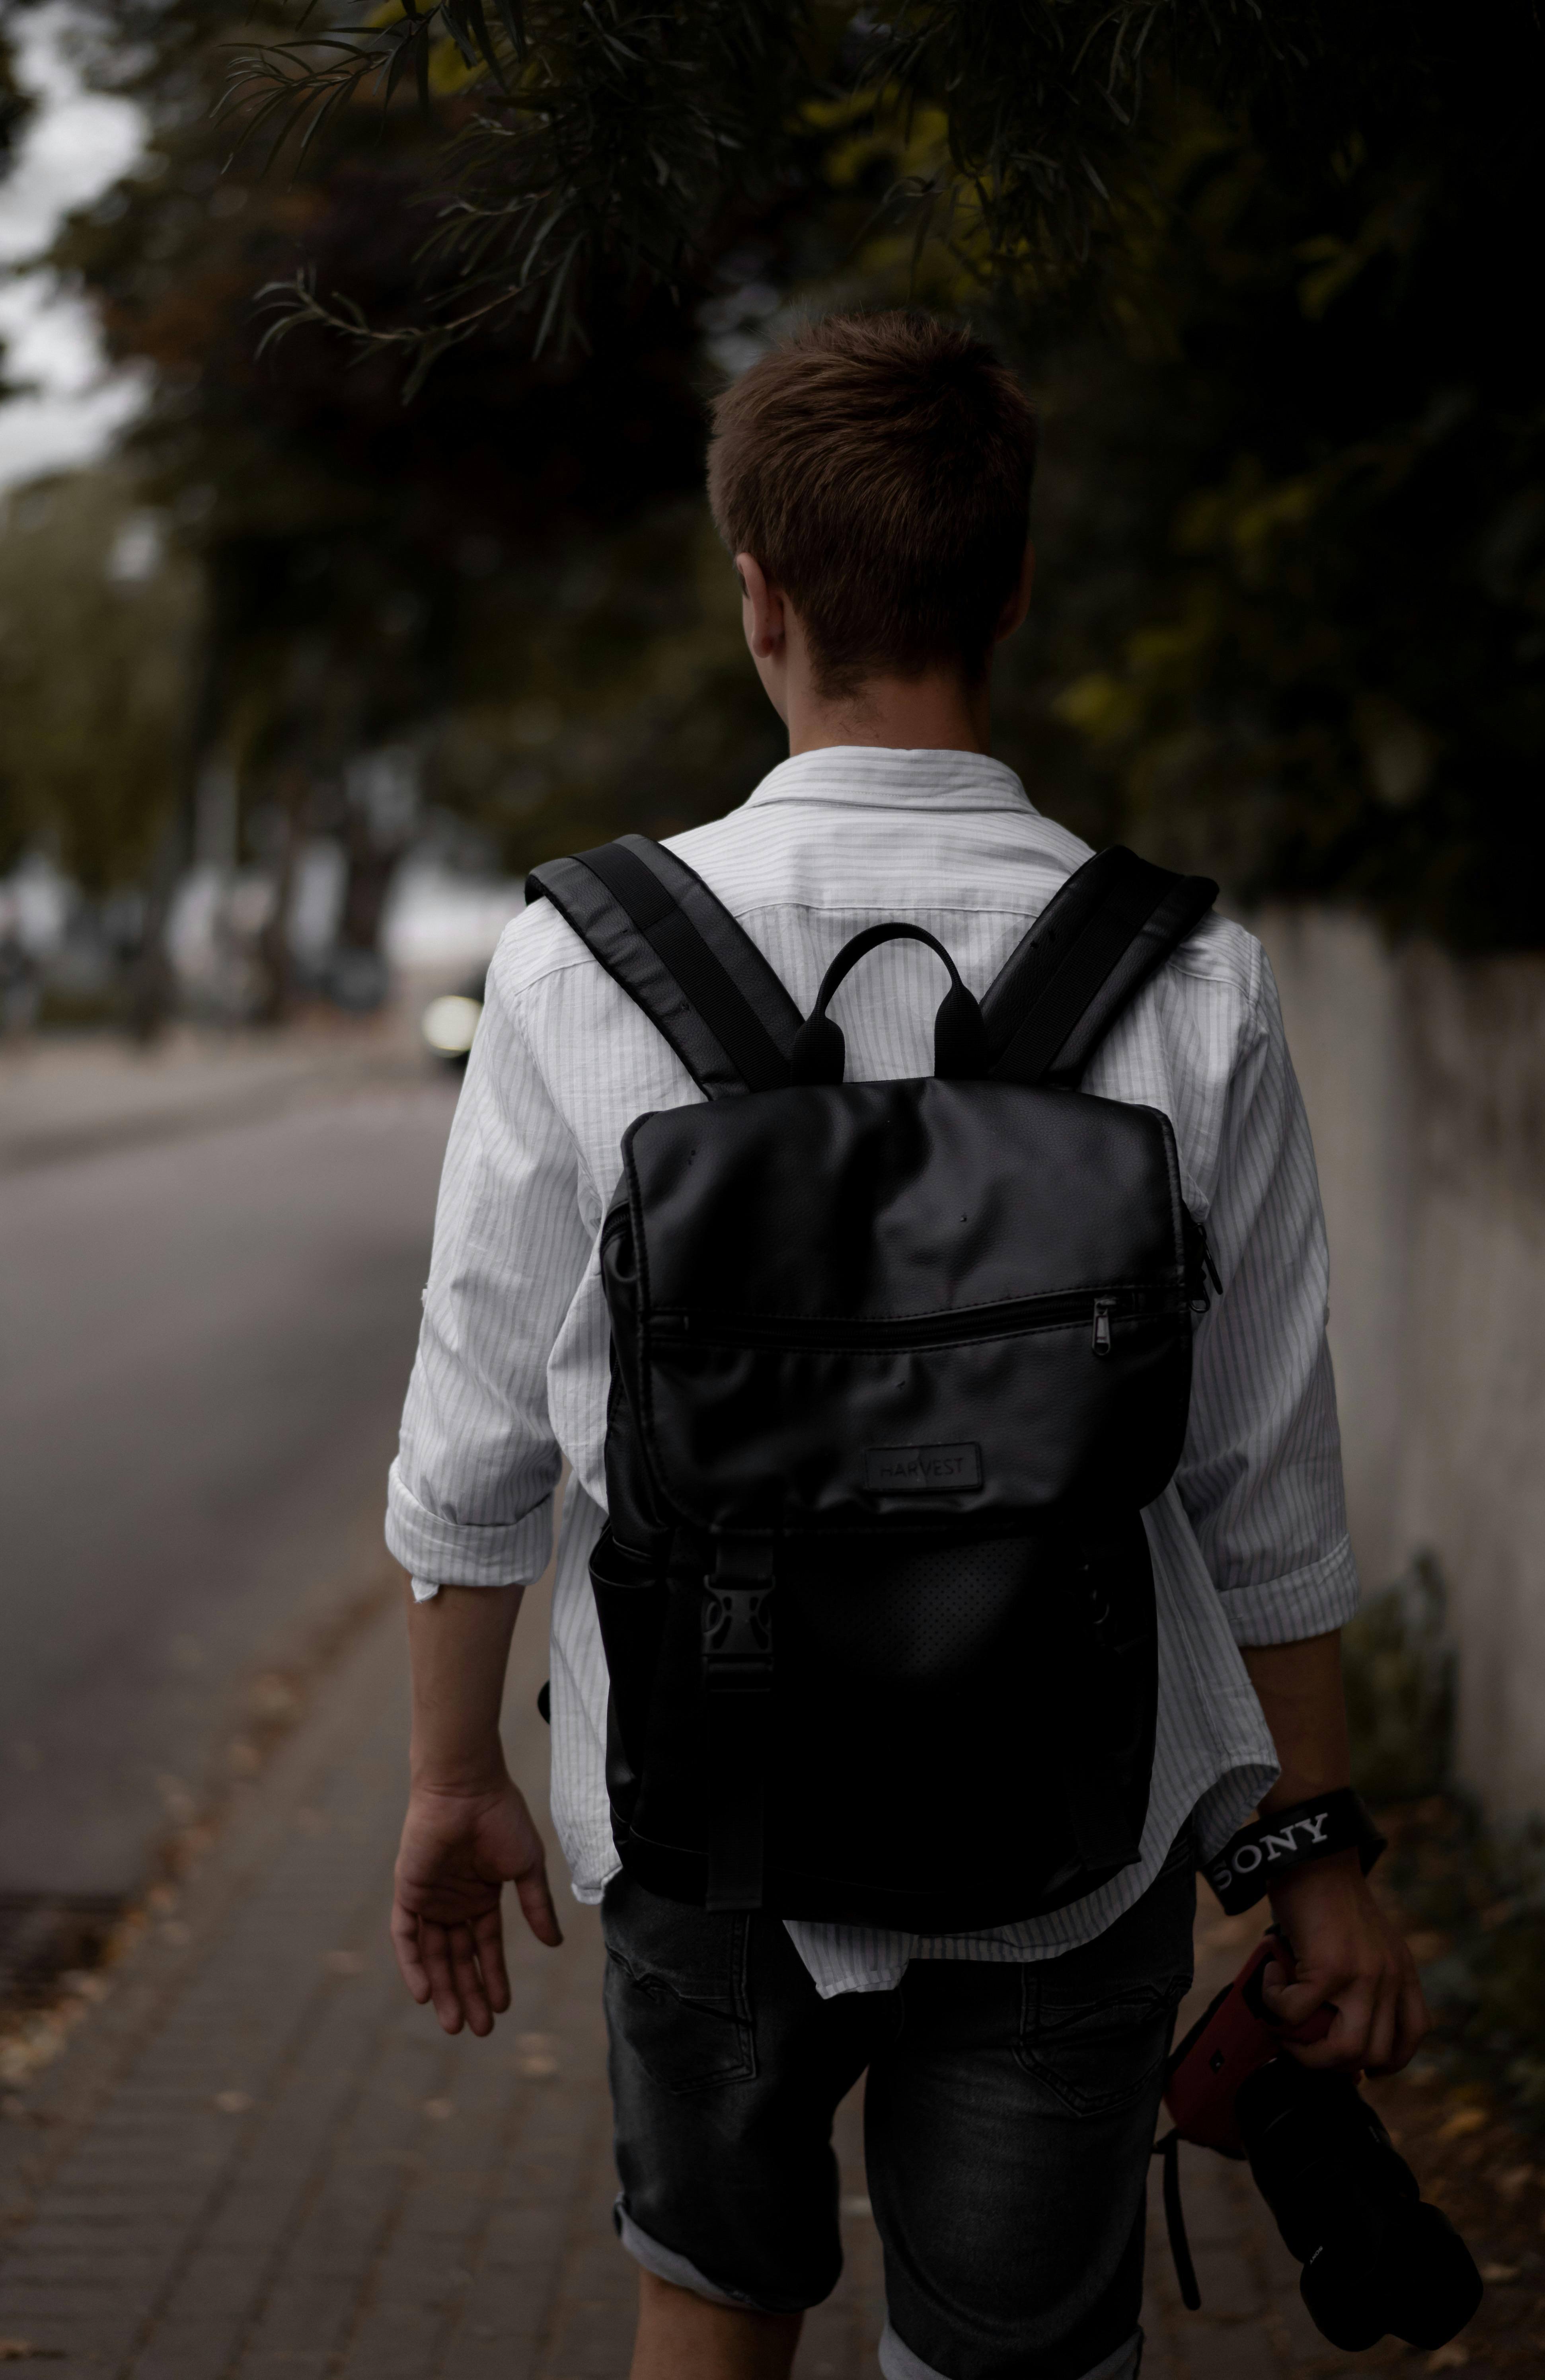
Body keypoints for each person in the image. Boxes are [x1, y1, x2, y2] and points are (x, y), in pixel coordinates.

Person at [384, 311, 1428, 2380]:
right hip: (1071, 1829)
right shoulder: (1189, 978)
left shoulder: (579, 964)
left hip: (705, 1813)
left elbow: (479, 1440)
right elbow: (1260, 1476)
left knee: (709, 2309)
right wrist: (1305, 1851)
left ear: (756, 598)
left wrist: (450, 1777)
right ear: (1014, 589)